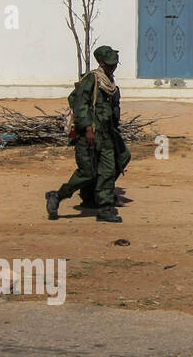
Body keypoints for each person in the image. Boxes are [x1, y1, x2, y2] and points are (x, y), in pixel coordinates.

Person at [46, 45, 130, 224]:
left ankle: (104, 208)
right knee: (87, 173)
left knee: (109, 169)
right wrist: (88, 129)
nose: (113, 67)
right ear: (101, 63)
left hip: (107, 135)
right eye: (109, 64)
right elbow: (80, 105)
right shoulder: (91, 80)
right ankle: (58, 195)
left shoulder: (110, 83)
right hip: (89, 136)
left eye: (115, 64)